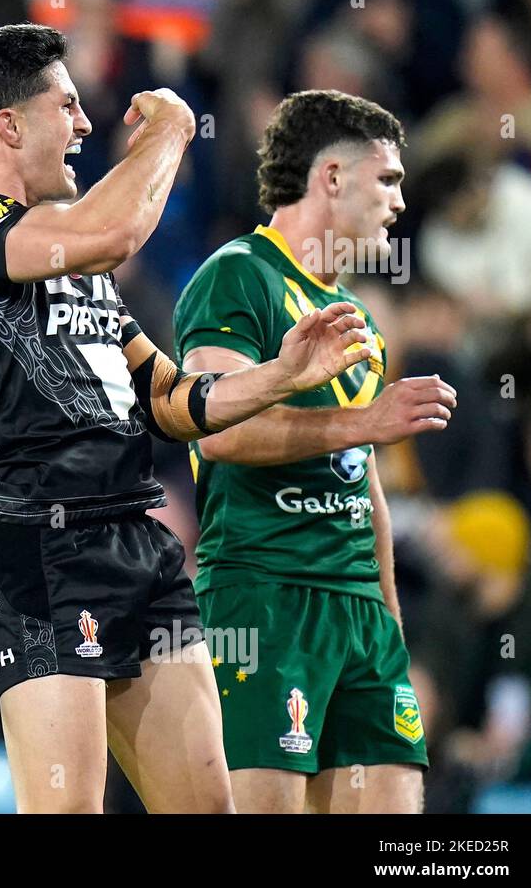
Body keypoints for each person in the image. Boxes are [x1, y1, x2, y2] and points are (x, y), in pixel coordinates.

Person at [0, 24, 375, 813]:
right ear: (10, 126)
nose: (85, 124)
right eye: (68, 106)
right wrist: (174, 129)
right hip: (41, 553)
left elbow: (171, 400)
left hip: (139, 546)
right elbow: (112, 230)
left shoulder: (76, 265)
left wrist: (282, 375)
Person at [173, 90, 458, 813]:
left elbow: (364, 483)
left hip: (359, 610)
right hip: (265, 596)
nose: (399, 201)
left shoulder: (358, 319)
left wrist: (388, 622)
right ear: (330, 177)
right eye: (387, 180)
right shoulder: (237, 277)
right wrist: (364, 425)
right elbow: (220, 428)